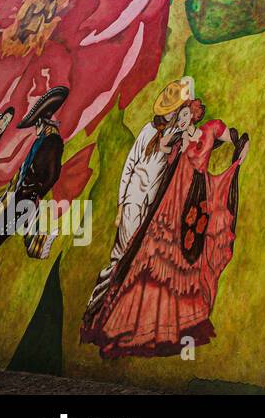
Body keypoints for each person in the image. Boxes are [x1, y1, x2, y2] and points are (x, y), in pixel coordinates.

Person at [80, 98, 247, 359]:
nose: (181, 119)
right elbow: (162, 146)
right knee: (149, 258)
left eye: (185, 115)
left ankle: (173, 318)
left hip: (191, 198)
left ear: (194, 117)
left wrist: (239, 152)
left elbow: (234, 136)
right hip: (169, 199)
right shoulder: (176, 141)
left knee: (183, 260)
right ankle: (122, 316)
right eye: (179, 115)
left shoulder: (208, 130)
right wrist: (174, 133)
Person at [83, 77, 194, 321]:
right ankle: (96, 303)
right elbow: (129, 167)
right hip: (134, 199)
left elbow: (190, 89)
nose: (174, 113)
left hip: (151, 206)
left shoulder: (177, 132)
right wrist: (121, 206)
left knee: (134, 258)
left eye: (177, 109)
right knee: (120, 256)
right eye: (173, 109)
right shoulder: (148, 131)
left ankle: (110, 308)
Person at [0, 87, 68, 259]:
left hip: (26, 194)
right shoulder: (44, 141)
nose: (36, 130)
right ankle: (37, 243)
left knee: (0, 229)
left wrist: (35, 189)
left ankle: (37, 242)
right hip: (20, 194)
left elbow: (52, 173)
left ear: (41, 123)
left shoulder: (52, 142)